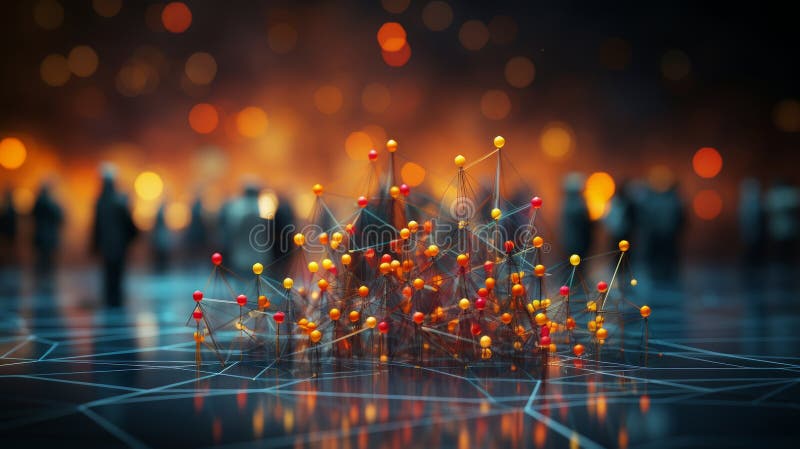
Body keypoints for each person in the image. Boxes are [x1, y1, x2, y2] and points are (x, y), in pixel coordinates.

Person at [91, 164, 137, 307]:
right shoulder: (119, 200)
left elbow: (96, 226)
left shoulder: (99, 201)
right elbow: (129, 223)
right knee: (118, 273)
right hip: (120, 244)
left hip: (106, 244)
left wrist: (95, 244)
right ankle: (116, 300)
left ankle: (109, 299)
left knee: (108, 273)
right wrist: (132, 237)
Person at [32, 182, 64, 274]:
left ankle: (43, 276)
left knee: (43, 258)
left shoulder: (38, 202)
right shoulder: (49, 203)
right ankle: (45, 277)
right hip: (48, 236)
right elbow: (59, 216)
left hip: (42, 235)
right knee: (46, 259)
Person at [560, 173, 593, 257]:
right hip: (577, 243)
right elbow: (584, 224)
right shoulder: (577, 204)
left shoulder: (567, 202)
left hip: (570, 242)